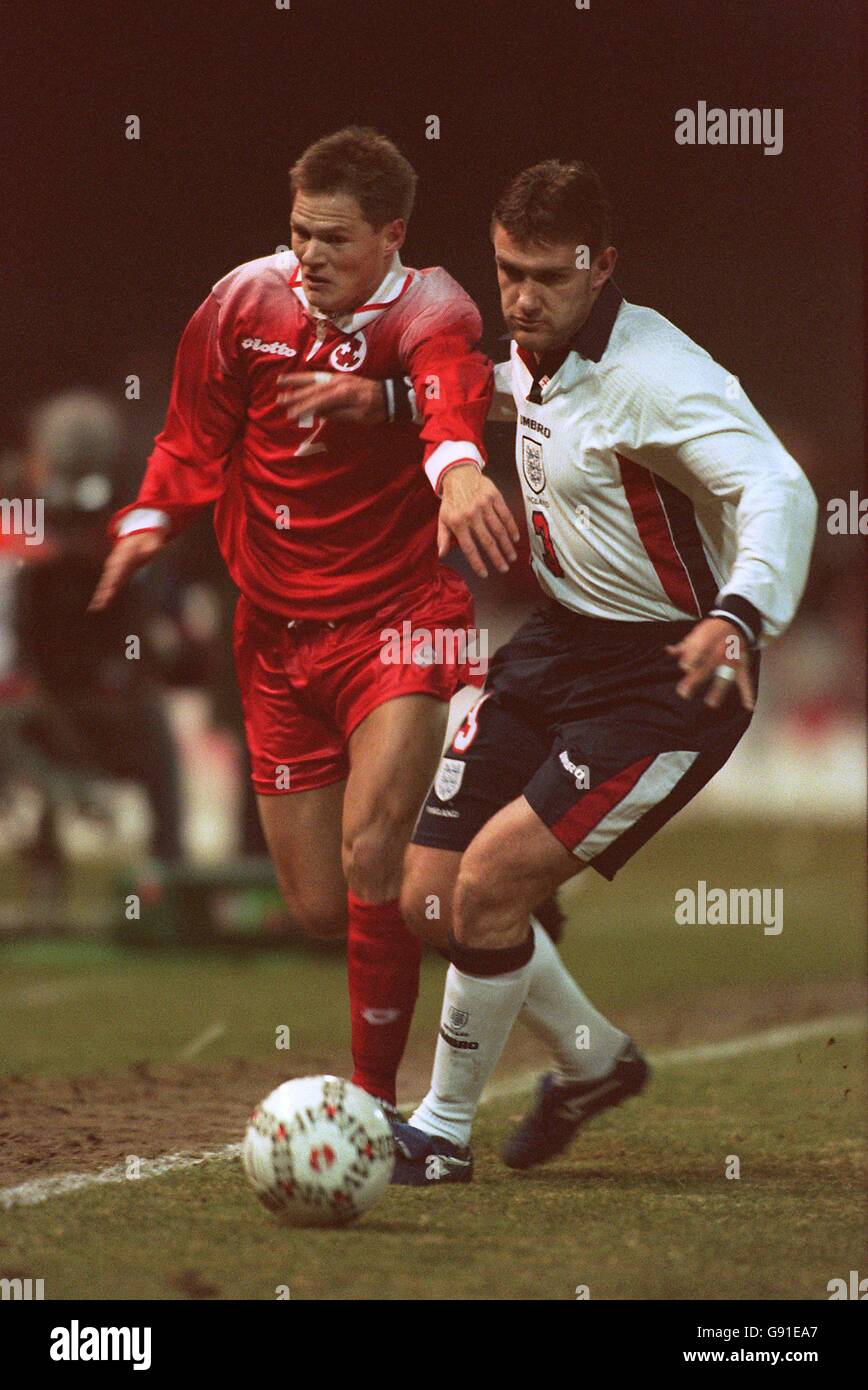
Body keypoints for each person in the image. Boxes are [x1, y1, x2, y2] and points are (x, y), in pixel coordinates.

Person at [385, 158, 818, 1182]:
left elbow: (777, 485)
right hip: (556, 643)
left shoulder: (661, 375)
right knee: (428, 898)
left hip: (666, 681)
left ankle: (441, 1134)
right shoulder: (538, 351)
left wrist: (739, 614)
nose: (521, 299)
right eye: (505, 272)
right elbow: (493, 391)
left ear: (602, 266)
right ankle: (592, 1063)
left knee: (489, 888)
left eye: (545, 276)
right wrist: (371, 400)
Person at [89, 127, 521, 1115]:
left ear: (390, 235)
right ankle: (500, 905)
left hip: (401, 619)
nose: (309, 256)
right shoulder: (242, 303)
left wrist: (456, 471)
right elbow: (189, 439)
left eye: (332, 238)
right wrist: (151, 518)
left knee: (373, 856)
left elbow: (454, 397)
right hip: (275, 636)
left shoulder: (433, 307)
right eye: (298, 235)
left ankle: (380, 1107)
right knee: (324, 905)